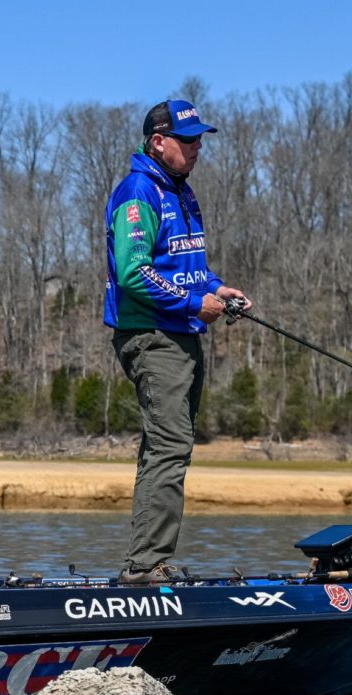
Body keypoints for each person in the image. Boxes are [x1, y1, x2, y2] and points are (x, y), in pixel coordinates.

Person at [103, 100, 252, 585]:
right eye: (188, 141)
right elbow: (133, 272)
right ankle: (145, 567)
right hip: (151, 335)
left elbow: (186, 266)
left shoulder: (182, 194)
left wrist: (215, 288)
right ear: (157, 141)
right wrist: (194, 304)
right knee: (170, 446)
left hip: (181, 333)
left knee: (172, 445)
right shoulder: (138, 192)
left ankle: (151, 560)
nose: (196, 149)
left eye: (200, 140)